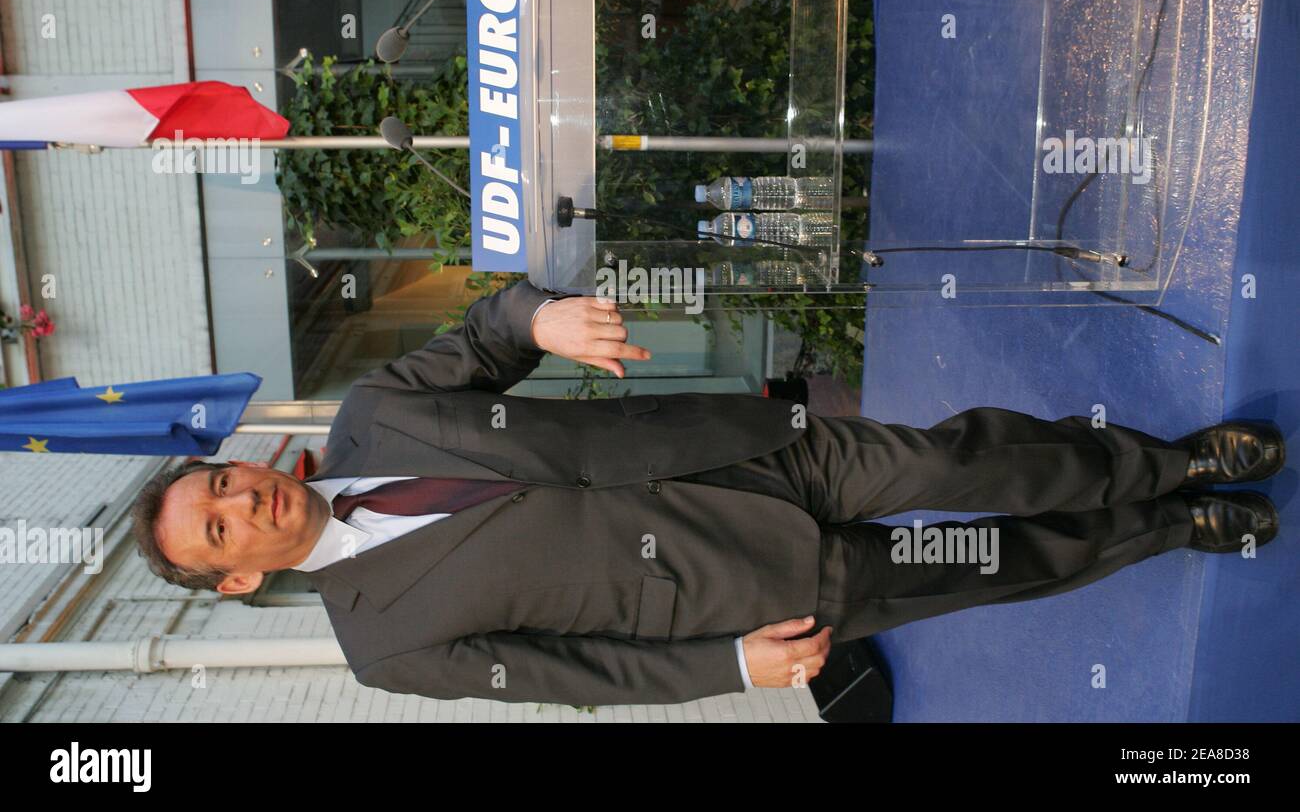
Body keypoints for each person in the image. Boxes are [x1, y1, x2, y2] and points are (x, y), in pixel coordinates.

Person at [130, 280, 1283, 706]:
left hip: (740, 454)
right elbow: (573, 677)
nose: (242, 503)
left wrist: (536, 319)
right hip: (753, 589)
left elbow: (484, 336)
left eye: (221, 482)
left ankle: (1173, 460)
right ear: (235, 572)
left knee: (963, 460)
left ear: (241, 463)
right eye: (221, 528)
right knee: (985, 564)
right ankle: (1174, 525)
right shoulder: (382, 647)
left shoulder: (370, 413)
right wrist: (733, 668)